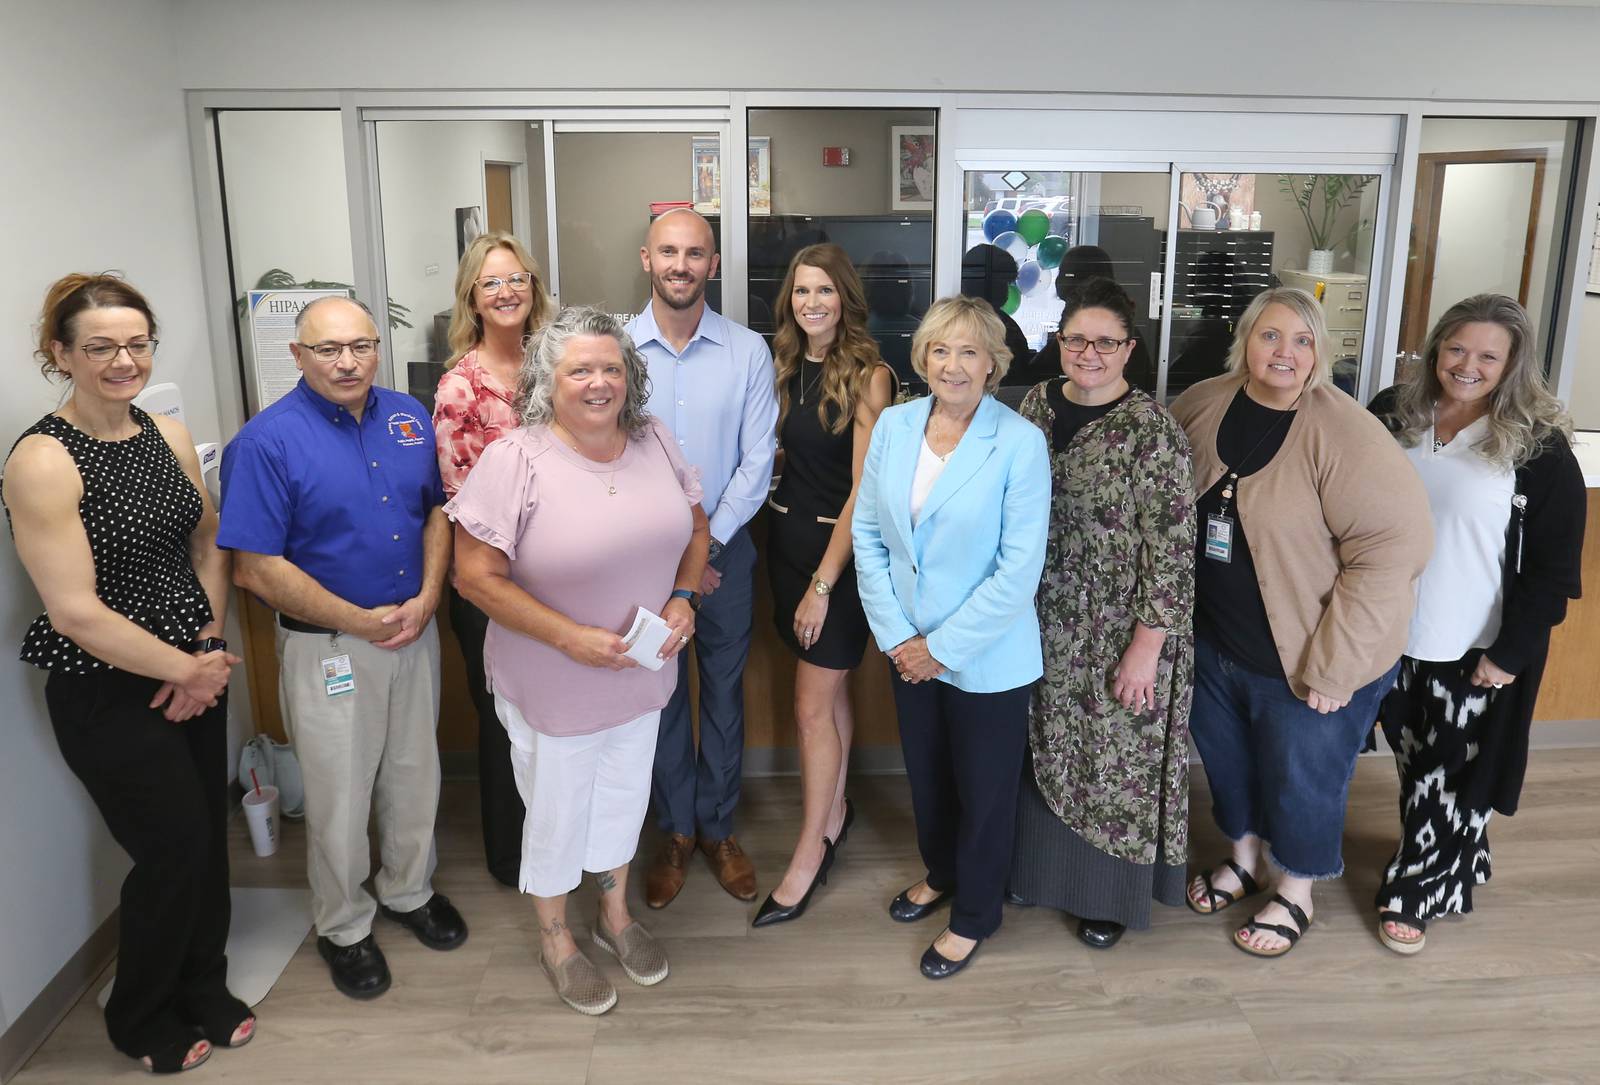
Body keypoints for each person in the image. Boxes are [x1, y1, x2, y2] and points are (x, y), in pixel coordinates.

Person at [3, 274, 252, 1073]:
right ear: (61, 354)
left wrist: (206, 649)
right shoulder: (42, 459)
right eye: (101, 346)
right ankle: (140, 1014)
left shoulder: (166, 433)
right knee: (171, 848)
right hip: (107, 687)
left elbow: (210, 541)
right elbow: (74, 610)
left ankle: (203, 984)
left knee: (205, 839)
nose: (123, 360)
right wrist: (187, 668)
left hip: (195, 662)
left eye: (136, 343)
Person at [448, 306, 709, 1014]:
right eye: (581, 369)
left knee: (623, 800)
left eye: (612, 367)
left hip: (641, 671)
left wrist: (685, 596)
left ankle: (614, 916)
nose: (600, 383)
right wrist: (567, 635)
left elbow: (696, 524)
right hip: (554, 680)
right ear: (546, 379)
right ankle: (557, 936)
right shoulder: (516, 459)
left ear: (631, 375)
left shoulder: (653, 438)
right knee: (559, 812)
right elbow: (473, 578)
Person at [1169, 287, 1433, 958]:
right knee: (1228, 764)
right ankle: (1247, 857)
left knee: (1301, 776)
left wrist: (1338, 664)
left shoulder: (1345, 431)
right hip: (1218, 644)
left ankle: (1295, 889)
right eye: (1270, 336)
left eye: (1302, 340)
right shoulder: (1205, 403)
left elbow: (1390, 551)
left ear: (1320, 351)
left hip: (1309, 655)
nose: (1284, 352)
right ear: (1246, 340)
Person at [219, 296, 466, 1000]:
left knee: (415, 775)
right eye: (328, 349)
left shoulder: (408, 417)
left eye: (360, 345)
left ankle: (408, 890)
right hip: (330, 646)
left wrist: (427, 596)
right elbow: (255, 567)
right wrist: (359, 622)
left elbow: (436, 512)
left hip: (414, 631)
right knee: (337, 793)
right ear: (297, 356)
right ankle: (344, 924)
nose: (348, 360)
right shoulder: (266, 442)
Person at [1367, 294, 1585, 955]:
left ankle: (1419, 885)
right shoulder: (1391, 414)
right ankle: (1465, 851)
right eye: (1457, 349)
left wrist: (1510, 654)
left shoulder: (1540, 449)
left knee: (1448, 771)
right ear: (1436, 348)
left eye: (1488, 355)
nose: (1468, 365)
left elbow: (1552, 572)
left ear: (1512, 364)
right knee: (1415, 765)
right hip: (1391, 636)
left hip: (1475, 648)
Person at [853, 294, 1051, 979]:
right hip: (906, 646)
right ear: (922, 358)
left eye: (969, 351)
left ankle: (975, 914)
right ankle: (940, 872)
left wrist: (939, 646)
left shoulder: (1019, 442)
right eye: (940, 350)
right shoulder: (895, 426)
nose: (954, 364)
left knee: (985, 789)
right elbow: (869, 534)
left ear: (993, 364)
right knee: (929, 777)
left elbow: (1017, 569)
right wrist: (899, 635)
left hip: (988, 655)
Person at [1010, 277, 1196, 949]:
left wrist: (1146, 647)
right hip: (1039, 617)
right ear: (1060, 342)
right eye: (1076, 339)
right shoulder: (1036, 403)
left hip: (1121, 628)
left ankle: (1105, 898)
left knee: (1114, 765)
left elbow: (1173, 552)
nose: (1089, 353)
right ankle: (1040, 875)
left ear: (1129, 348)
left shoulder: (1152, 430)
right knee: (1044, 746)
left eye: (1105, 341)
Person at [625, 209, 779, 909]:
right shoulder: (616, 348)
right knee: (659, 699)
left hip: (727, 551)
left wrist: (706, 546)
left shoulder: (748, 351)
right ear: (646, 259)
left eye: (694, 252)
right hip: (640, 558)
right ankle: (676, 830)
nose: (681, 264)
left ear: (713, 264)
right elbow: (610, 455)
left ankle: (718, 829)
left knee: (722, 694)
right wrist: (678, 554)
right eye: (668, 251)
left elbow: (757, 460)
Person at [752, 244, 895, 927]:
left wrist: (823, 584)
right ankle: (836, 812)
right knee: (826, 697)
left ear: (846, 298)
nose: (813, 302)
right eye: (802, 290)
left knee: (810, 707)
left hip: (834, 561)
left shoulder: (871, 374)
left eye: (826, 291)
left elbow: (865, 492)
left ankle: (810, 852)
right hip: (782, 546)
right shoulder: (781, 364)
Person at [432, 231, 556, 888]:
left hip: (560, 578)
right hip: (493, 584)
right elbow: (463, 499)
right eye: (491, 283)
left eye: (516, 279)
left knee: (549, 716)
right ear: (473, 299)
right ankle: (512, 857)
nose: (506, 292)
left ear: (533, 288)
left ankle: (560, 843)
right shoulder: (460, 387)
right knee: (503, 719)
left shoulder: (555, 363)